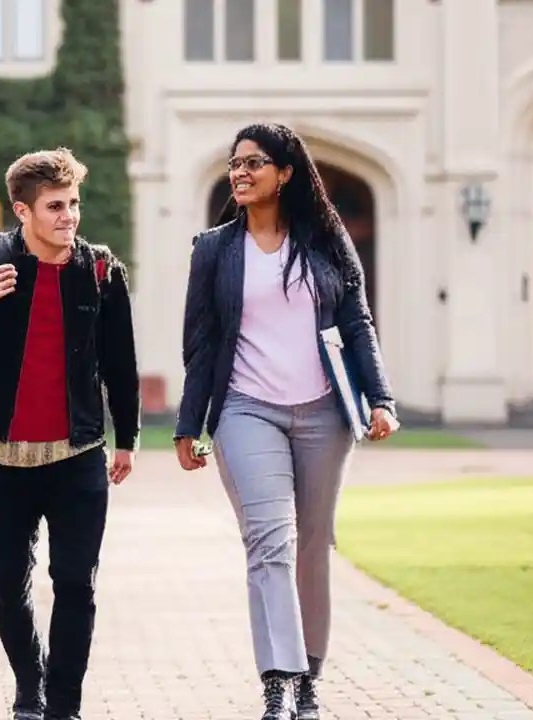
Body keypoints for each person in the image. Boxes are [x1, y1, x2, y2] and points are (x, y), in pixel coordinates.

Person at [174, 123, 400, 720]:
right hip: (246, 409)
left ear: (286, 173)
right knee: (269, 543)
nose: (241, 173)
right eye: (235, 163)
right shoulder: (215, 249)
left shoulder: (326, 241)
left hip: (325, 412)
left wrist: (381, 399)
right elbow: (200, 344)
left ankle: (311, 677)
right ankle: (281, 680)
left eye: (255, 163)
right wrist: (188, 424)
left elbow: (358, 325)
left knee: (313, 547)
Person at [0, 147, 140, 720]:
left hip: (77, 457)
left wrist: (126, 438)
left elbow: (121, 362)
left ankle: (63, 707)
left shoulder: (100, 271)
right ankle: (31, 684)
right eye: (55, 206)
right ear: (22, 211)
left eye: (73, 203)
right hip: (1, 460)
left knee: (76, 584)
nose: (68, 216)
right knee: (6, 584)